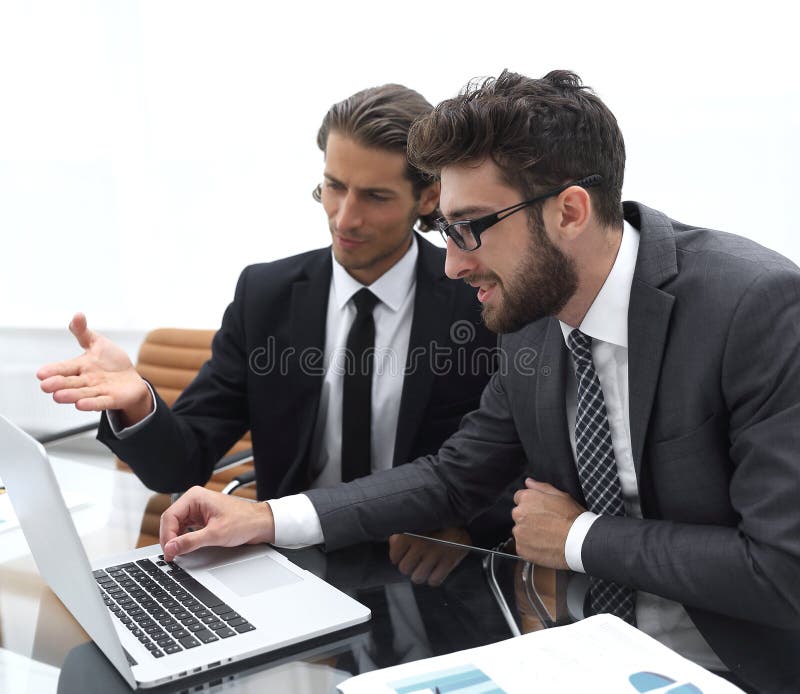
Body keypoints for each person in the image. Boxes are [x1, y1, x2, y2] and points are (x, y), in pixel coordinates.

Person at [153, 70, 800, 692]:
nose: (454, 265)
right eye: (444, 230)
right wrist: (266, 517)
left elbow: (784, 569)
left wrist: (579, 537)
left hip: (735, 670)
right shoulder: (531, 318)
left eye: (470, 230)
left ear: (570, 211)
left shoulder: (754, 308)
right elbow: (453, 476)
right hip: (577, 655)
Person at [38, 84, 509, 586]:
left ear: (429, 197)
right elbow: (180, 464)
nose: (344, 217)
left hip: (420, 571)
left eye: (375, 196)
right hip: (292, 563)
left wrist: (465, 525)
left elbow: (518, 451)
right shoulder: (266, 295)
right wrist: (138, 405)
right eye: (333, 186)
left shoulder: (478, 296)